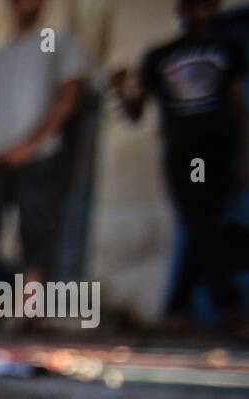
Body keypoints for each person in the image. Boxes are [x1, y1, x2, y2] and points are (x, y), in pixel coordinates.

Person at [112, 0, 247, 332]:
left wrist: (243, 156)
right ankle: (222, 307)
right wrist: (118, 89)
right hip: (187, 153)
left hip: (217, 149)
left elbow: (237, 102)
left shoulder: (226, 48)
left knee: (201, 222)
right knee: (202, 220)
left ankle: (181, 309)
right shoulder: (160, 56)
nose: (196, 13)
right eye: (190, 7)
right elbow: (134, 112)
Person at [0, 0, 87, 334]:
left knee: (34, 229)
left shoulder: (58, 43)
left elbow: (69, 98)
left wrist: (29, 145)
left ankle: (27, 314)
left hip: (39, 155)